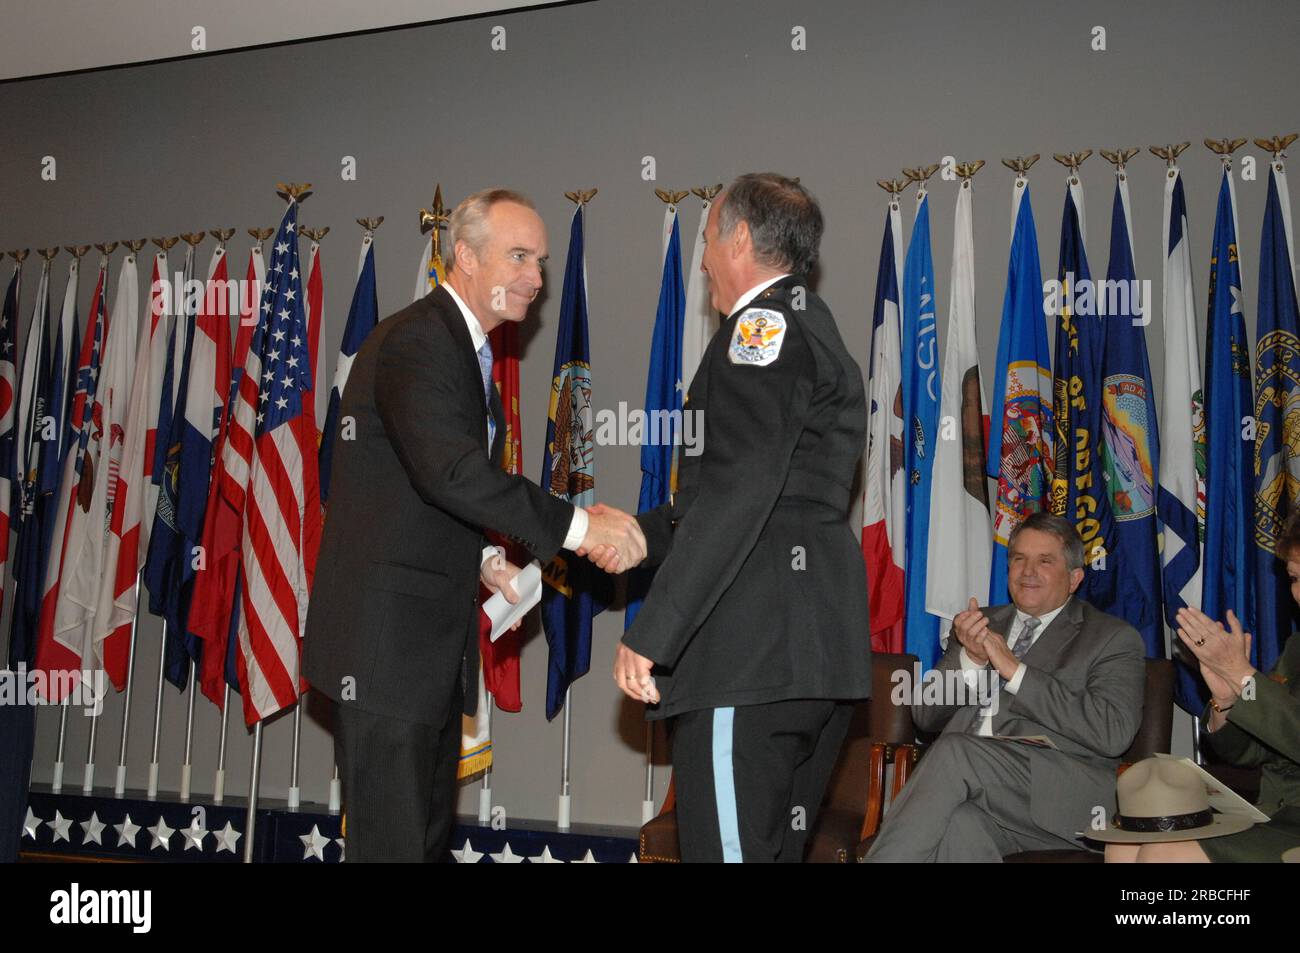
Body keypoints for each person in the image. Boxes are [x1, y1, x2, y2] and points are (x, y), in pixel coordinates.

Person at [303, 188, 645, 862]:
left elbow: (421, 492)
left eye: (541, 262)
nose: (536, 278)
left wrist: (487, 558)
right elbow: (452, 472)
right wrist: (581, 529)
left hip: (421, 657)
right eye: (518, 256)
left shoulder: (462, 350)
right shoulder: (419, 340)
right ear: (464, 256)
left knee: (419, 847)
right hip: (383, 657)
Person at [600, 172, 873, 862]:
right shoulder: (816, 323)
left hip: (749, 658)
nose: (700, 261)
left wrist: (654, 629)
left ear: (740, 239)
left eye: (707, 239)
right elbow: (772, 490)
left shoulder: (763, 324)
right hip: (811, 661)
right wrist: (642, 535)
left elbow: (742, 488)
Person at [864, 511, 1146, 862]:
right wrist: (972, 660)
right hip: (977, 799)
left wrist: (1015, 671)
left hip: (1060, 798)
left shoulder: (1112, 638)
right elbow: (925, 715)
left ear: (1074, 578)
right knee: (959, 824)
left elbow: (1112, 732)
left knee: (956, 752)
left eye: (1045, 561)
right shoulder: (980, 623)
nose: (1028, 572)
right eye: (1019, 559)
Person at [1104, 511, 1300, 863]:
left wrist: (1241, 674)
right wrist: (1226, 702)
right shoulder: (1297, 648)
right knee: (1122, 845)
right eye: (1296, 578)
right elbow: (1255, 751)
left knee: (1163, 855)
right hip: (1278, 813)